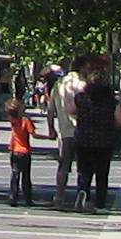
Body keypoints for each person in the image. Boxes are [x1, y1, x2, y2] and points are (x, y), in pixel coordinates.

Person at [68, 55, 121, 212]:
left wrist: (81, 116)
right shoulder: (111, 100)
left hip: (84, 139)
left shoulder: (81, 97)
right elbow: (119, 121)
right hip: (104, 140)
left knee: (84, 171)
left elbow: (70, 110)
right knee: (102, 173)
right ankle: (100, 203)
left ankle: (83, 192)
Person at [49, 61, 84, 207]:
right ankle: (81, 195)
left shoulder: (59, 84)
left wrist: (51, 129)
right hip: (81, 130)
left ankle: (59, 195)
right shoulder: (82, 85)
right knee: (82, 167)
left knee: (63, 166)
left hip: (65, 131)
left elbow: (51, 110)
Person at [6, 97, 35, 206]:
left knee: (15, 174)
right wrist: (48, 137)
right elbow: (33, 134)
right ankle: (28, 198)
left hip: (14, 150)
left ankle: (13, 197)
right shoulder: (25, 121)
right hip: (25, 151)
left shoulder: (12, 121)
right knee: (26, 176)